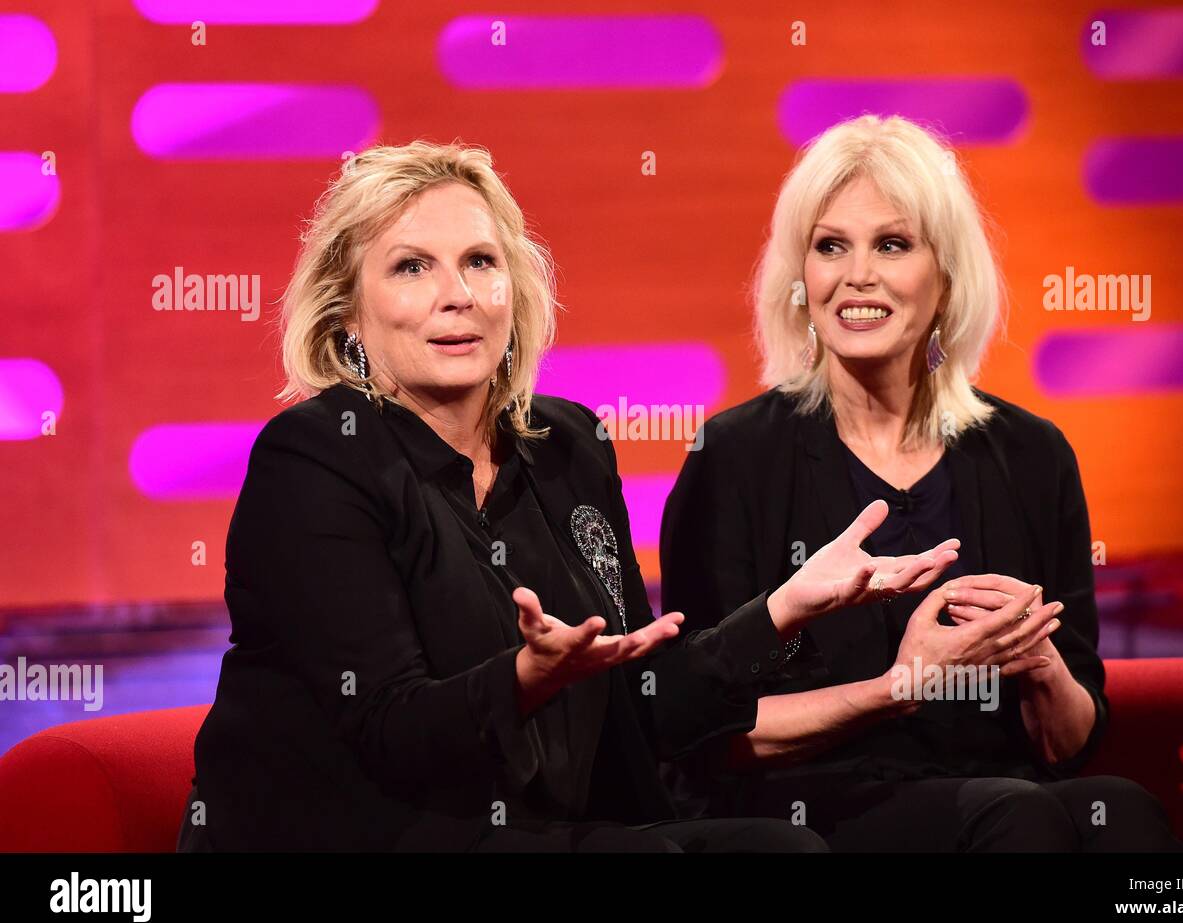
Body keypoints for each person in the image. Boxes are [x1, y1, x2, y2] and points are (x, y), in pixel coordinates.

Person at [176, 140, 955, 852]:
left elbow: (638, 705)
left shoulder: (567, 445)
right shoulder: (317, 458)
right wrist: (525, 678)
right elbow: (389, 729)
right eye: (412, 267)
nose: (458, 295)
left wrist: (782, 610)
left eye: (481, 262)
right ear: (348, 313)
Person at [659, 113, 1183, 852]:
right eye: (830, 246)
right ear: (800, 278)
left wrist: (1040, 665)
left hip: (1000, 790)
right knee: (1018, 815)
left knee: (1123, 810)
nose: (857, 275)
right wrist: (900, 688)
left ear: (946, 277)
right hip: (809, 810)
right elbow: (698, 733)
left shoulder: (1032, 455)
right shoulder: (734, 457)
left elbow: (1071, 744)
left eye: (893, 244)